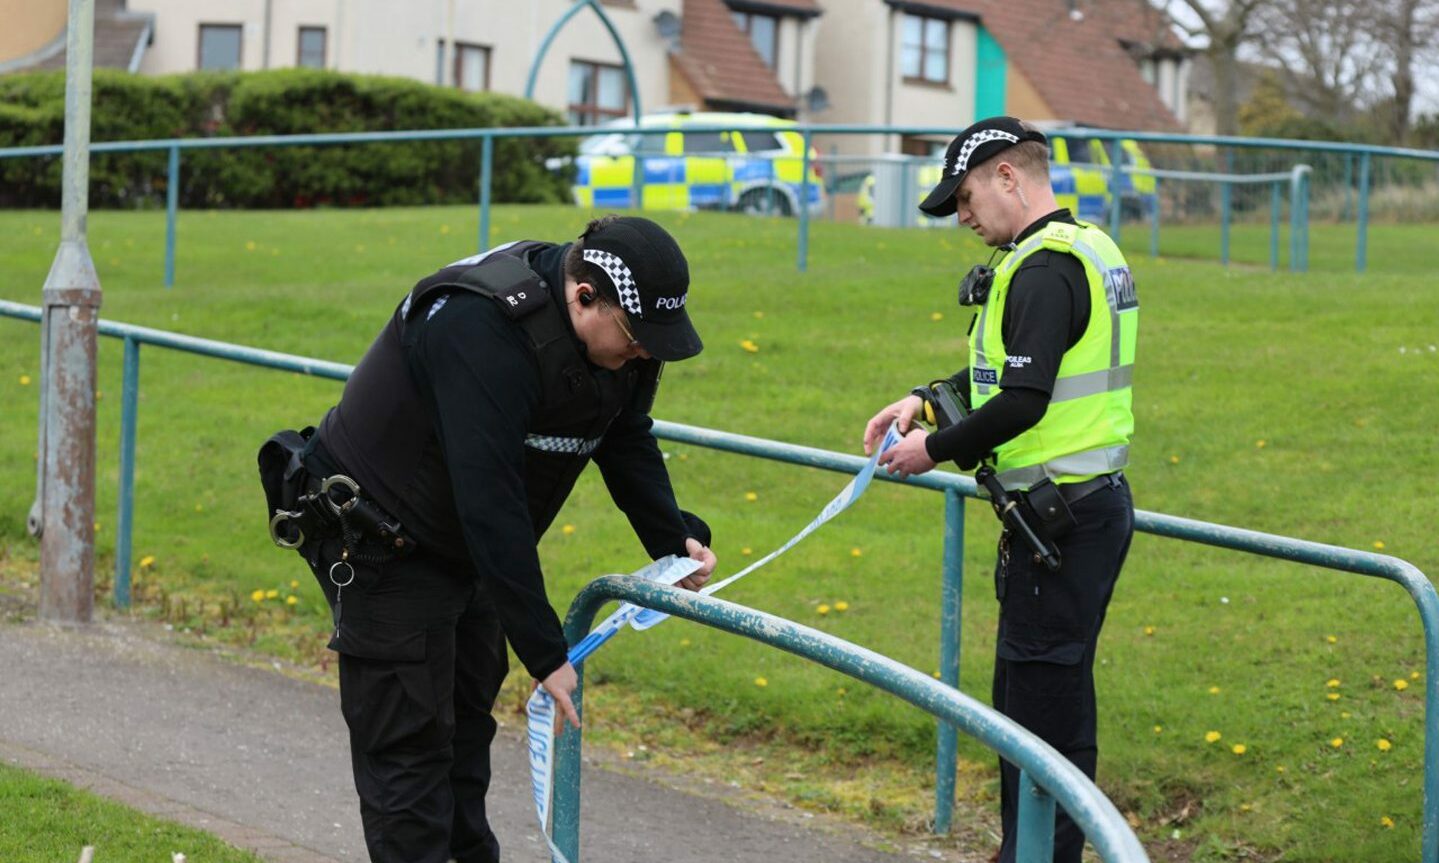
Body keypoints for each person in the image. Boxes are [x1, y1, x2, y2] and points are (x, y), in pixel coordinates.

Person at [268, 215, 717, 863]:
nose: (645, 352)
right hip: (378, 537)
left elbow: (623, 431)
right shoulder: (478, 328)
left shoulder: (619, 339)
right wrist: (546, 649)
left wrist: (672, 536)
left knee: (465, 723)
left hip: (462, 545)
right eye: (635, 336)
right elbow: (489, 501)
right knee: (409, 746)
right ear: (583, 296)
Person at [861, 117, 1138, 863]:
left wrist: (930, 450)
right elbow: (1001, 375)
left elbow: (1022, 402)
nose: (962, 214)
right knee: (1031, 703)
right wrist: (924, 400)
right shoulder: (1081, 247)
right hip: (1070, 513)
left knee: (1039, 715)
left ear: (1009, 177)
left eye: (966, 194)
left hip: (1063, 522)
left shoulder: (1044, 269)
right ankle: (1034, 849)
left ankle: (1040, 854)